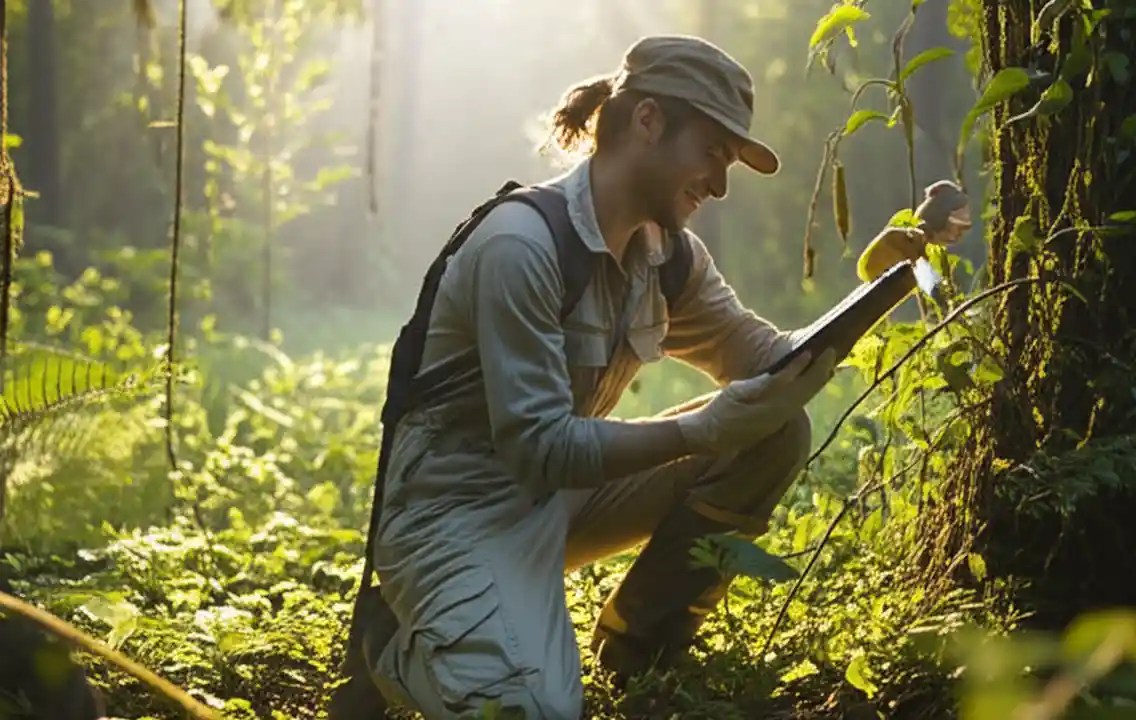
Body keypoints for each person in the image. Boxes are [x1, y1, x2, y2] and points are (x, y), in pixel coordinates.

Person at [343, 34, 929, 720]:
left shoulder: (668, 258)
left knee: (774, 432)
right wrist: (697, 429)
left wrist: (882, 277)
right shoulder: (520, 246)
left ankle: (640, 643)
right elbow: (537, 447)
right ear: (647, 121)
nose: (719, 183)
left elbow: (773, 364)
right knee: (532, 711)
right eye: (712, 152)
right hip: (454, 516)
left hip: (555, 501)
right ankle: (396, 648)